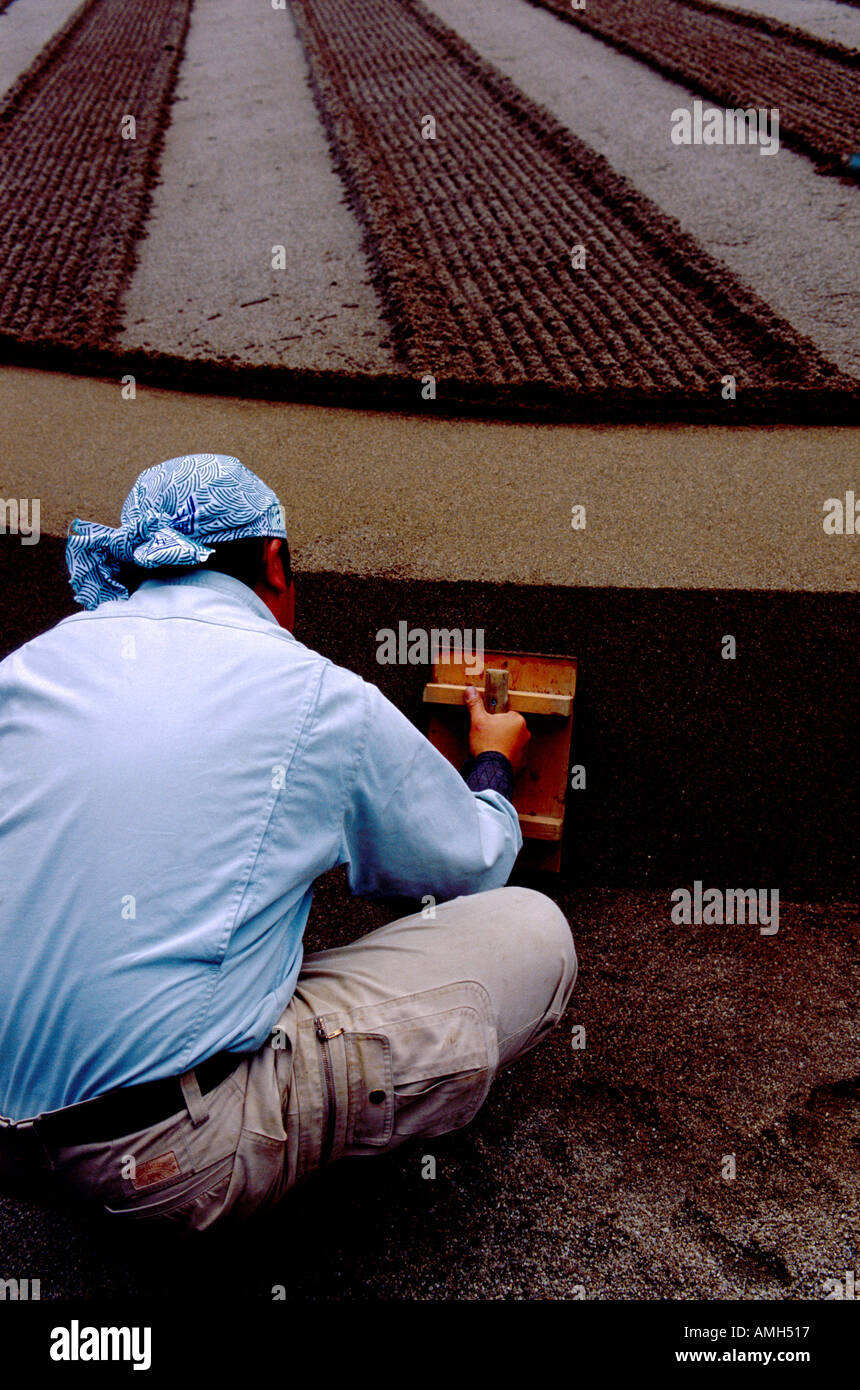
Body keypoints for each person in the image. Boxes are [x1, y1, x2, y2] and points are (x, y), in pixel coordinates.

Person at [0, 453, 576, 1230]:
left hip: (7, 1146)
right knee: (533, 930)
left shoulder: (29, 669)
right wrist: (493, 761)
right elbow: (472, 864)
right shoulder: (313, 693)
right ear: (274, 561)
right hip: (156, 1161)